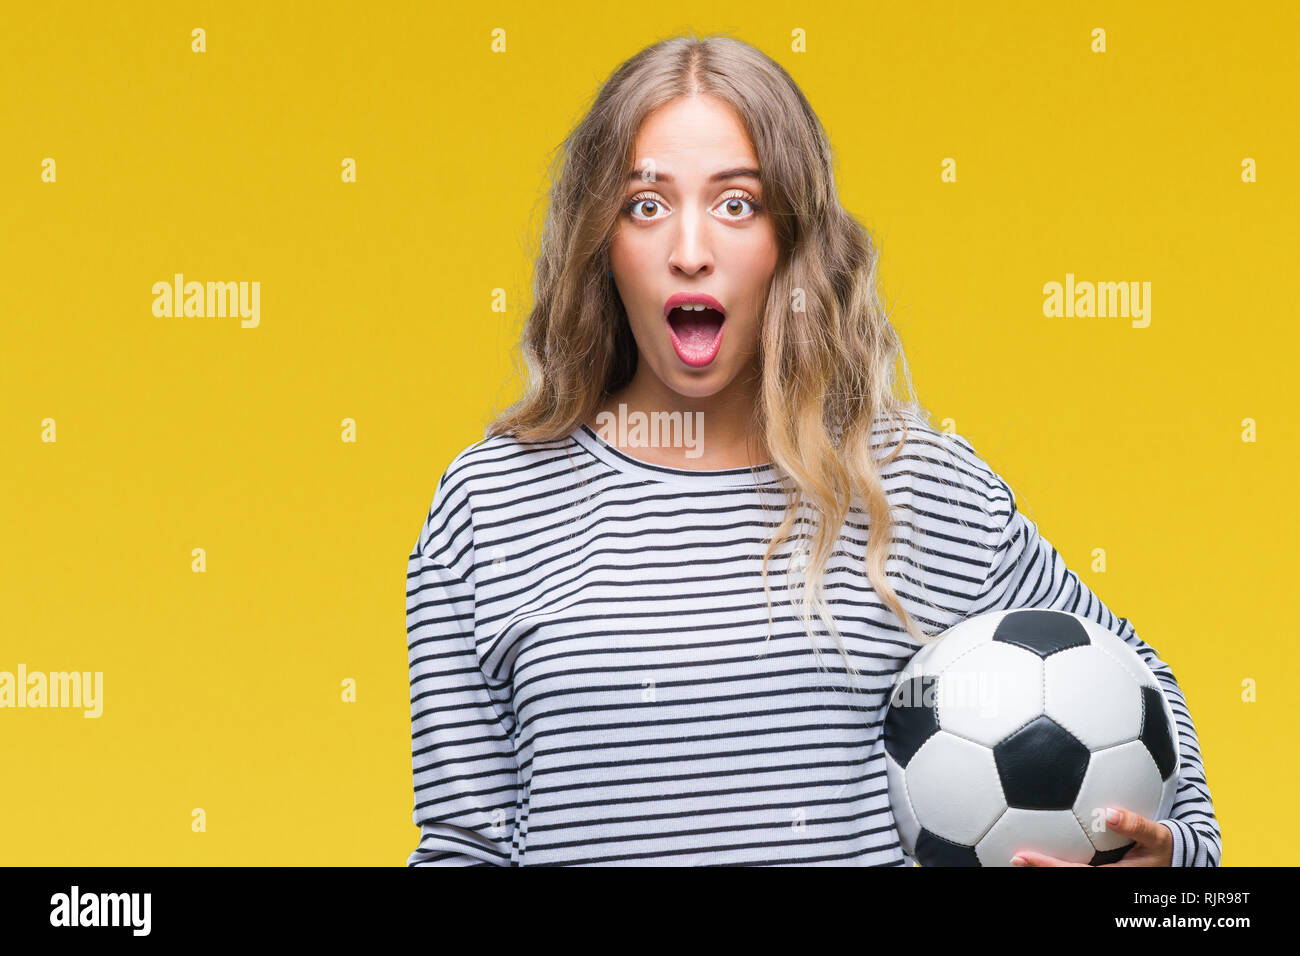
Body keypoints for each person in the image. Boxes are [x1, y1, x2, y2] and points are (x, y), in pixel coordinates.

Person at [404, 33, 1221, 866]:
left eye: (737, 205)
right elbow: (462, 843)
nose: (690, 252)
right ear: (601, 243)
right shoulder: (489, 504)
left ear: (792, 241)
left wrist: (1171, 862)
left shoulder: (916, 485)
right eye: (645, 205)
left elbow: (1134, 685)